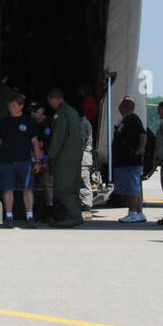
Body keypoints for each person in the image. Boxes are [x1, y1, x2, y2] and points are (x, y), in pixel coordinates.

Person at [0, 94, 40, 228]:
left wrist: (37, 161)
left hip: (24, 161)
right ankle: (9, 217)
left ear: (21, 106)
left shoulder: (28, 121)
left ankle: (30, 216)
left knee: (27, 188)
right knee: (8, 189)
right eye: (9, 106)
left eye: (13, 106)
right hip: (6, 161)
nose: (11, 108)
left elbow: (35, 143)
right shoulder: (3, 122)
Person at [45, 88, 84, 227]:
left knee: (61, 187)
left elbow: (58, 137)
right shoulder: (73, 112)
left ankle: (74, 215)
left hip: (64, 156)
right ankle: (65, 216)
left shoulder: (61, 113)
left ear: (53, 99)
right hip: (75, 156)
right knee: (72, 187)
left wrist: (50, 156)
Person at [112, 96, 148, 223]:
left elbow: (142, 134)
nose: (118, 107)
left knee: (132, 186)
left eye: (120, 105)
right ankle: (139, 212)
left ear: (125, 107)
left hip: (130, 160)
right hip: (125, 160)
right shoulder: (126, 120)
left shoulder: (133, 119)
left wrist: (141, 148)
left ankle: (133, 212)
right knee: (135, 186)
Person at [30, 104, 55, 221]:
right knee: (30, 184)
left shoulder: (50, 123)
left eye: (36, 111)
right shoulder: (31, 123)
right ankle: (32, 211)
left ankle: (49, 210)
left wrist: (45, 159)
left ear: (42, 110)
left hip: (46, 159)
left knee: (47, 184)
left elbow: (53, 143)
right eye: (31, 111)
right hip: (32, 158)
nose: (33, 114)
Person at [79, 110, 96, 220]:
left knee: (84, 183)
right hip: (82, 157)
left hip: (83, 158)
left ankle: (86, 208)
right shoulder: (83, 122)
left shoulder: (82, 124)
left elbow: (80, 141)